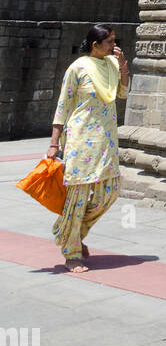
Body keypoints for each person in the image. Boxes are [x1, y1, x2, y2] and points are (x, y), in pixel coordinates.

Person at [46, 23, 130, 273]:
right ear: (95, 44)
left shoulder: (113, 65)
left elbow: (123, 92)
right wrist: (53, 142)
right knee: (78, 197)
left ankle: (71, 230)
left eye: (114, 41)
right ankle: (72, 253)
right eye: (109, 42)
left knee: (110, 192)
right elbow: (63, 105)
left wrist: (124, 65)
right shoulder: (78, 67)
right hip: (80, 138)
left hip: (106, 138)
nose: (114, 46)